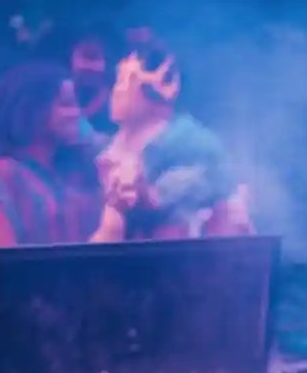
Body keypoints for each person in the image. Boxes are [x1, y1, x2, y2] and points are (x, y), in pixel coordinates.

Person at [97, 33, 248, 240]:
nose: (118, 91)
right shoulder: (109, 144)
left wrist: (142, 196)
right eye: (118, 81)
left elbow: (166, 203)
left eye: (128, 81)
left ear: (164, 88)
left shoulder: (193, 145)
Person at [0, 61, 124, 247]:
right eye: (66, 105)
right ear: (32, 111)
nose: (76, 113)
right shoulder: (6, 173)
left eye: (76, 104)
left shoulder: (80, 167)